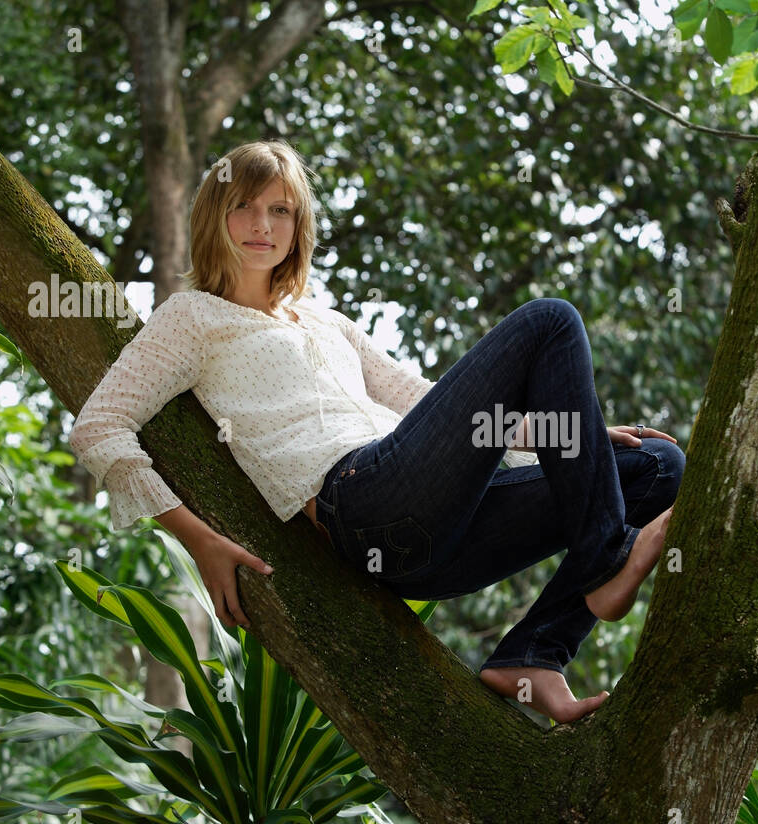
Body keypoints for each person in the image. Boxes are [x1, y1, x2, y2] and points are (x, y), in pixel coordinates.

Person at [69, 140, 684, 724]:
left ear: (298, 225)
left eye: (280, 209)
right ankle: (608, 562)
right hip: (361, 503)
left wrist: (574, 433)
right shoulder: (192, 317)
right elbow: (98, 426)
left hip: (444, 528)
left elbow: (424, 400)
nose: (263, 224)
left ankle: (533, 652)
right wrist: (199, 539)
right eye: (244, 207)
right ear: (215, 217)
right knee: (550, 320)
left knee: (657, 467)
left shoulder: (325, 319)